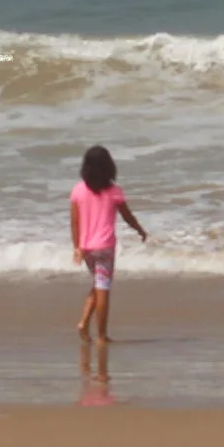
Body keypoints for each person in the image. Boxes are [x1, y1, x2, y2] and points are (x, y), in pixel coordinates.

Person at [69, 146, 148, 342]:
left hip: (86, 248)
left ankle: (83, 323)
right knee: (103, 288)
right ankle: (102, 335)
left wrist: (77, 247)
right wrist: (139, 229)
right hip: (105, 247)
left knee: (98, 284)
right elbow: (127, 216)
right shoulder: (114, 192)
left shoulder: (78, 190)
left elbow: (74, 222)